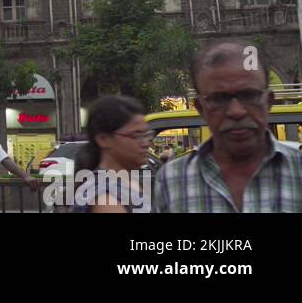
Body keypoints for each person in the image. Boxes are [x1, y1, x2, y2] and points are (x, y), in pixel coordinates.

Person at [154, 41, 302, 212]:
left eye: (249, 95)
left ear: (269, 101)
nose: (236, 111)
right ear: (201, 108)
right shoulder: (172, 180)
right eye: (219, 99)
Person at [71, 96, 152, 213]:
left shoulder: (126, 181)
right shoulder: (105, 199)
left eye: (147, 135)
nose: (145, 143)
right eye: (136, 135)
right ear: (103, 139)